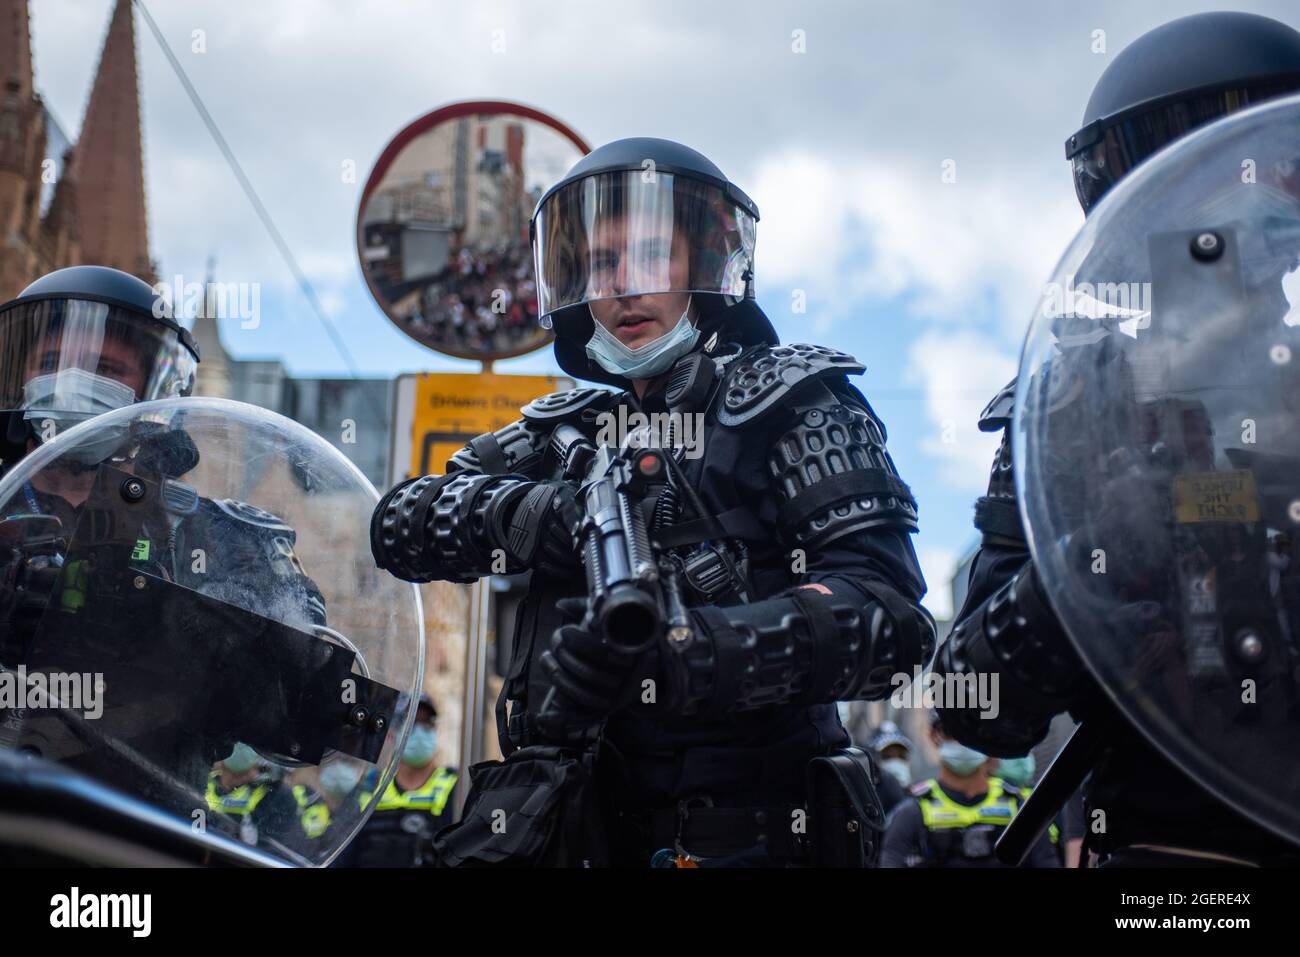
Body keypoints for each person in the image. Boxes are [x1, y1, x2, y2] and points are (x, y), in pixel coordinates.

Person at [371, 137, 935, 867]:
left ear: (704, 266)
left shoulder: (793, 401)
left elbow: (888, 616)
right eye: (601, 264)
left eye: (647, 257)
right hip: (574, 836)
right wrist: (549, 518)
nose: (623, 286)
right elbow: (400, 523)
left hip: (757, 838)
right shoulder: (563, 428)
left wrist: (691, 653)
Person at [932, 11, 1300, 867]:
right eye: (1203, 164)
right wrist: (1104, 547)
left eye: (1271, 158)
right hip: (1177, 865)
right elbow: (972, 700)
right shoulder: (1079, 400)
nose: (1248, 186)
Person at [0, 265, 398, 862]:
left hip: (134, 859)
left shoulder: (224, 536)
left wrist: (174, 627)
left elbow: (329, 714)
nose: (71, 383)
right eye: (53, 360)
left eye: (105, 370)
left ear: (151, 394)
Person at [879, 715, 1057, 868]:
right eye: (951, 731)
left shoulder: (1018, 808)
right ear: (934, 736)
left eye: (973, 729)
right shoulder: (911, 813)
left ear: (989, 735)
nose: (962, 740)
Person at [337, 693, 458, 868]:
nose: (420, 731)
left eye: (427, 723)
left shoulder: (455, 787)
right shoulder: (369, 788)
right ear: (392, 733)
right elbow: (342, 857)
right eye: (412, 723)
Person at [869, 720, 914, 815]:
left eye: (901, 756)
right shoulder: (869, 805)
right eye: (887, 757)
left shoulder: (920, 799)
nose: (895, 762)